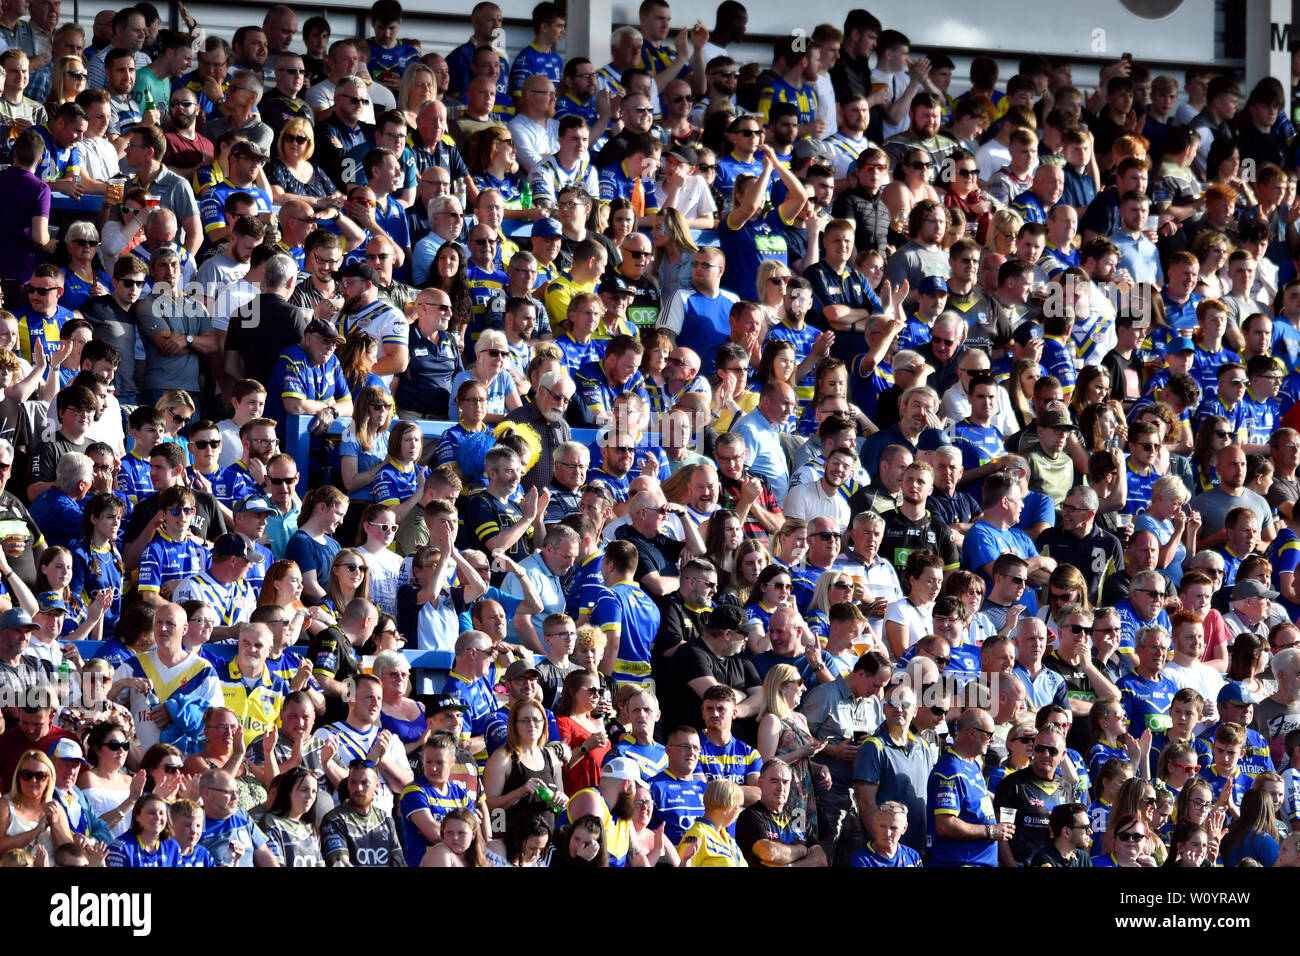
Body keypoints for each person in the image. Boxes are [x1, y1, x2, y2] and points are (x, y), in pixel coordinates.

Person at [679, 778, 747, 866]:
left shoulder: (726, 836)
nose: (739, 811)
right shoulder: (698, 834)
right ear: (724, 807)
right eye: (738, 807)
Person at [1030, 801, 1094, 867]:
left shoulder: (1083, 858)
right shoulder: (1043, 860)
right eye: (1085, 827)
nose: (1090, 832)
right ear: (1067, 832)